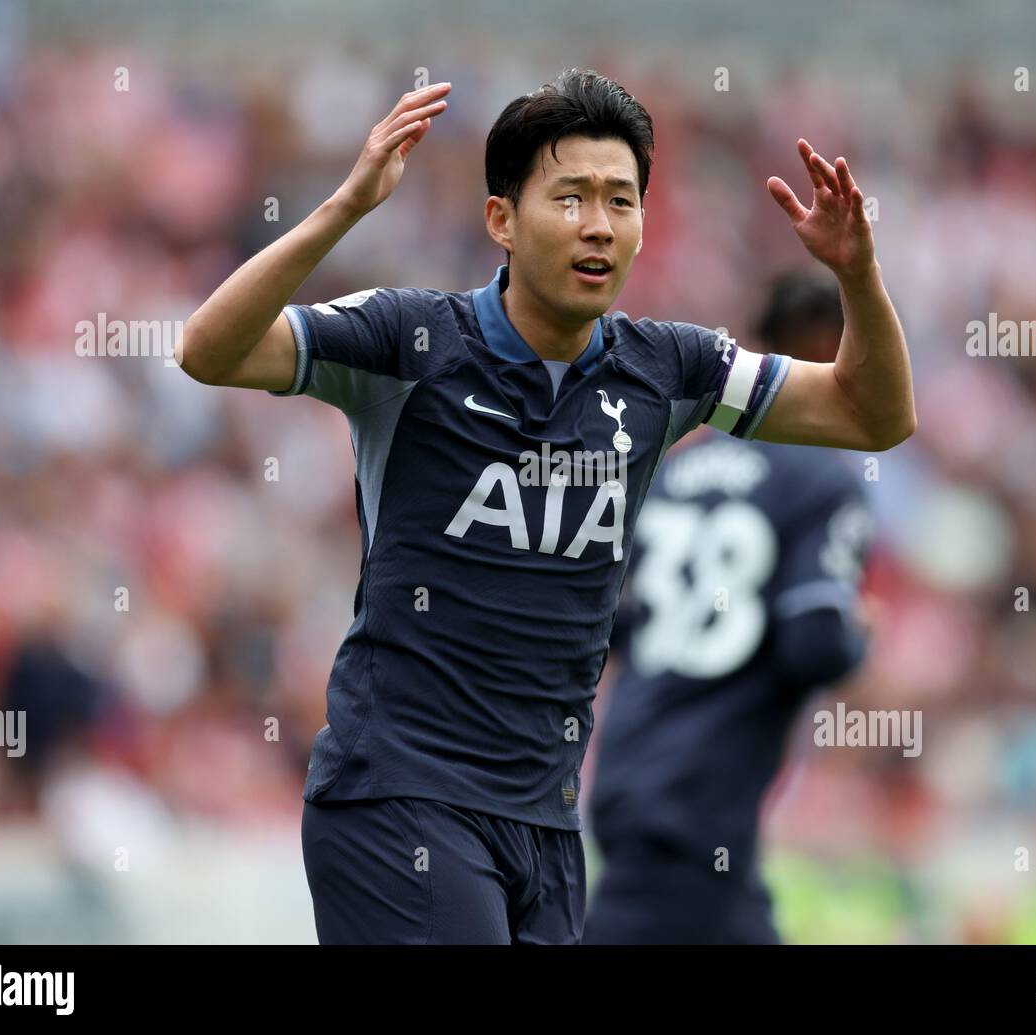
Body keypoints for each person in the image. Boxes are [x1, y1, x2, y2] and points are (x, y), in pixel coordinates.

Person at [177, 68, 915, 944]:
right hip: (401, 800)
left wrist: (858, 276)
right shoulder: (411, 341)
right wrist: (346, 208)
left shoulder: (667, 369)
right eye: (570, 198)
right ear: (502, 219)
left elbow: (874, 416)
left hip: (547, 824)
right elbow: (209, 350)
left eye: (621, 200)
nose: (599, 224)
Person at [584, 270, 874, 944]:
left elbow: (620, 624)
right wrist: (856, 635)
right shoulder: (820, 479)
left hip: (636, 782)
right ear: (829, 347)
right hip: (698, 805)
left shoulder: (674, 473)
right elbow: (817, 642)